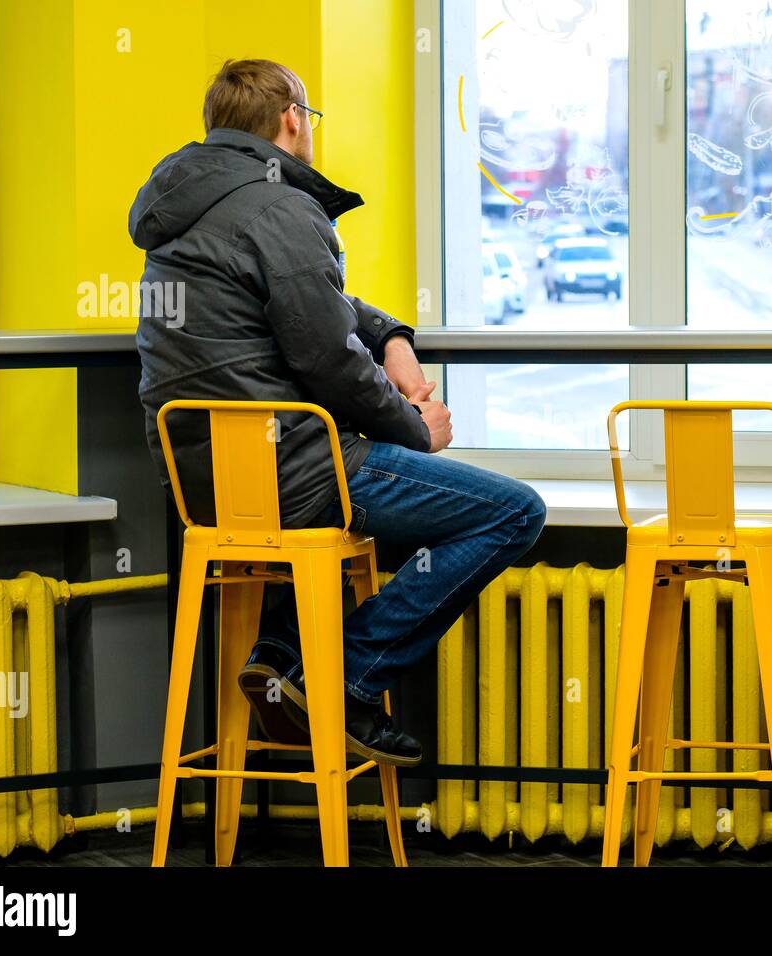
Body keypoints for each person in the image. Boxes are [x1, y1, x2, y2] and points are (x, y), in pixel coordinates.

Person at [128, 59, 546, 766]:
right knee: (514, 512)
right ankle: (343, 672)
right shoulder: (281, 207)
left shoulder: (185, 211)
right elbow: (327, 360)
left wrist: (391, 336)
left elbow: (315, 308)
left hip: (208, 486)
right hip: (294, 472)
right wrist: (417, 429)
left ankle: (278, 655)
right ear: (293, 116)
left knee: (323, 511)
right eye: (310, 119)